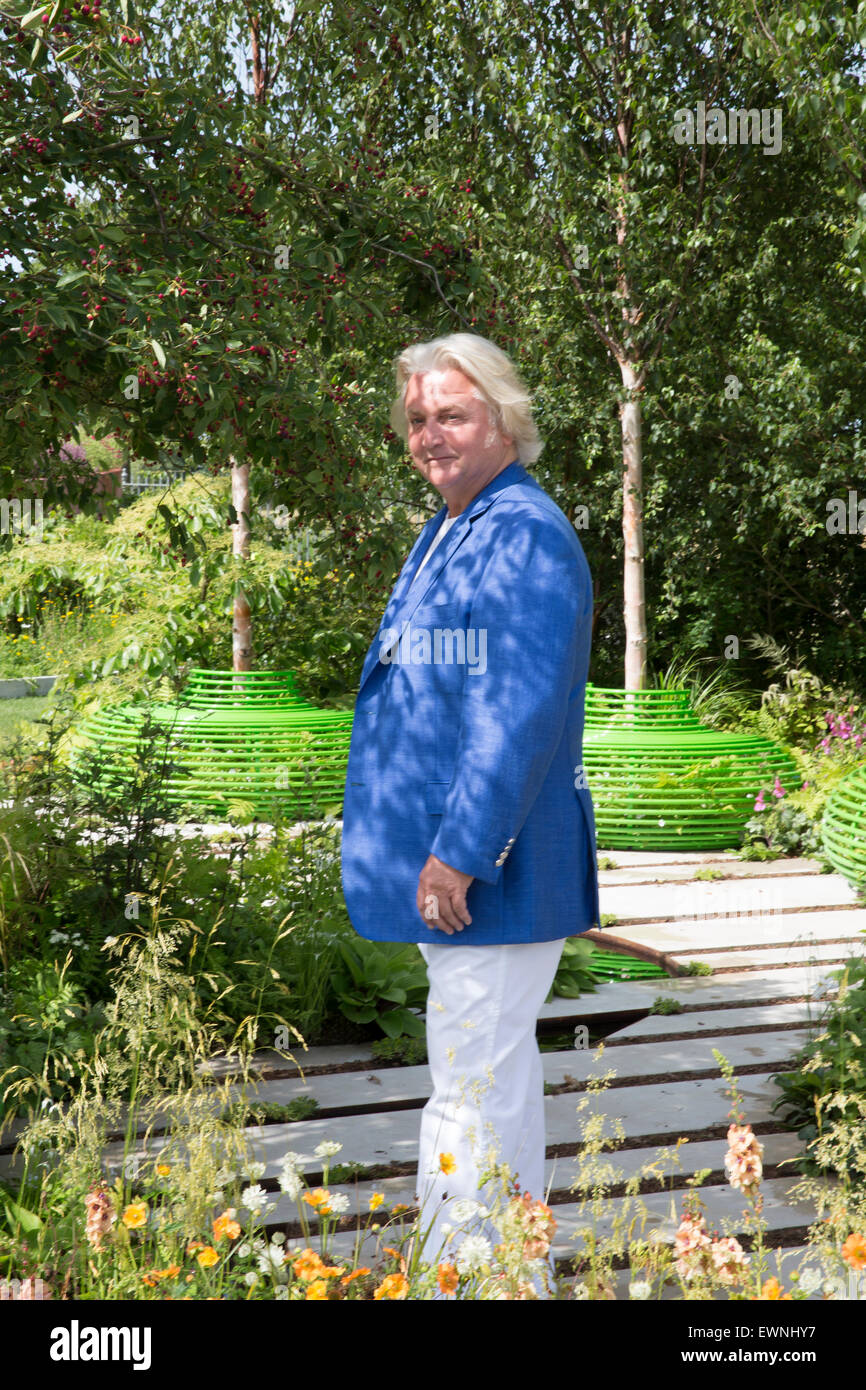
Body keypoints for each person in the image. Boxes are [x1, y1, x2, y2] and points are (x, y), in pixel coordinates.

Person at [340, 332, 600, 1288]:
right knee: (493, 1078)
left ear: (504, 420)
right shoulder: (457, 524)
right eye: (418, 418)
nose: (429, 434)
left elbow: (517, 714)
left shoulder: (521, 534)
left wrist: (459, 851)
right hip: (469, 869)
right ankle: (509, 1279)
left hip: (492, 869)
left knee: (468, 1091)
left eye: (451, 414)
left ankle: (458, 1280)